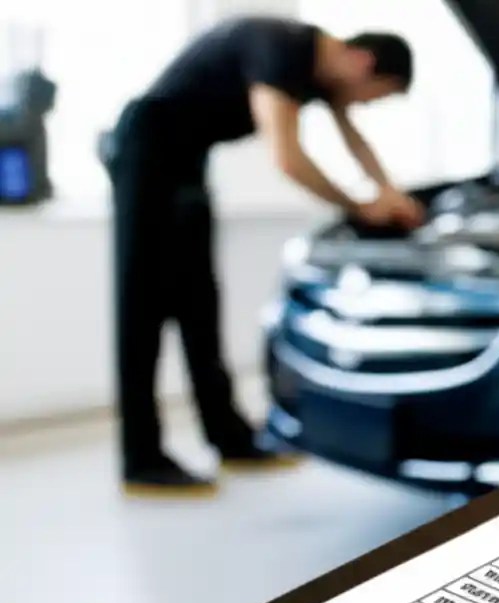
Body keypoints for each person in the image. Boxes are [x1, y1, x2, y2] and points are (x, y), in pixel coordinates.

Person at [106, 16, 425, 492]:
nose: (361, 104)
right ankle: (141, 458)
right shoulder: (283, 47)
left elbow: (354, 140)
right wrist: (360, 206)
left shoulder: (320, 74)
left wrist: (391, 192)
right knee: (143, 305)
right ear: (363, 62)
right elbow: (286, 156)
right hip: (146, 149)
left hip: (186, 160)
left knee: (199, 302)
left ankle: (230, 439)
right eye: (371, 94)